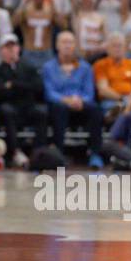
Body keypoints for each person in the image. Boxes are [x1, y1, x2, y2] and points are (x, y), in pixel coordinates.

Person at [0, 34, 53, 169]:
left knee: (41, 112)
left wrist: (13, 85)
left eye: (14, 46)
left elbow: (38, 88)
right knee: (7, 111)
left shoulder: (29, 68)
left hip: (27, 106)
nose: (11, 50)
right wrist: (23, 87)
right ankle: (15, 151)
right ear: (1, 50)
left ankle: (38, 151)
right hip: (10, 107)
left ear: (19, 48)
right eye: (7, 47)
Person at [41, 31, 104, 167]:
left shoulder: (85, 67)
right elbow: (49, 92)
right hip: (60, 105)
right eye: (64, 42)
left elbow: (89, 92)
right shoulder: (48, 67)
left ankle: (95, 154)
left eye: (70, 42)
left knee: (95, 109)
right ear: (57, 45)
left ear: (75, 45)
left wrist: (80, 100)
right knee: (58, 108)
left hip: (80, 105)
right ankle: (59, 154)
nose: (67, 46)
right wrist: (66, 100)